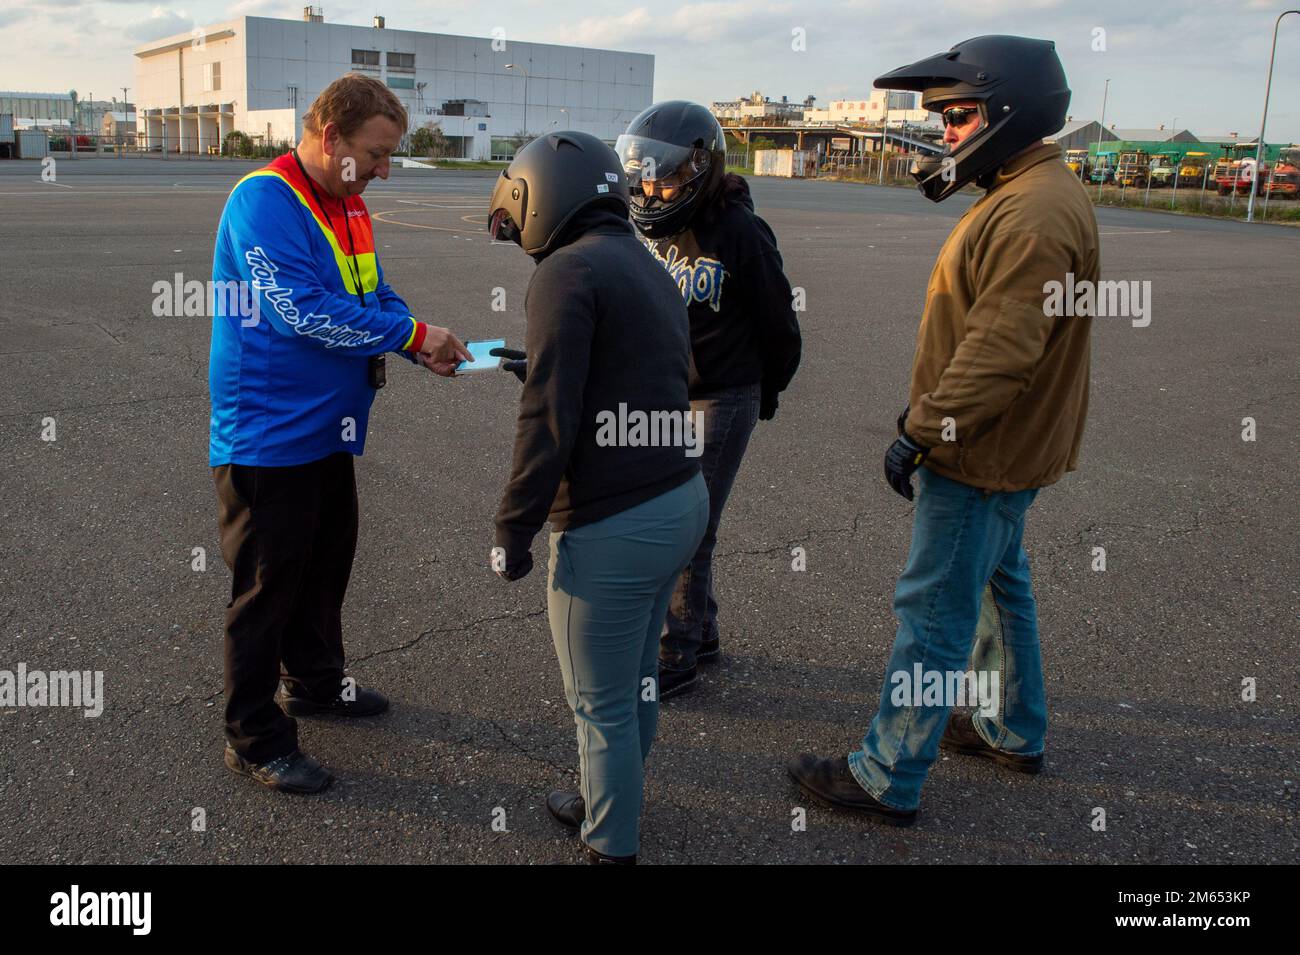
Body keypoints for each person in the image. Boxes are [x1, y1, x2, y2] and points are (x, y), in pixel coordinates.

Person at [788, 35, 1098, 823]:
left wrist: (922, 431)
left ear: (1006, 109)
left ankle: (887, 772)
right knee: (1002, 587)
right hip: (1012, 448)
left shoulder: (1030, 212)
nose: (948, 132)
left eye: (959, 115)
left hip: (980, 449)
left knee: (934, 609)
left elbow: (999, 350)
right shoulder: (1037, 190)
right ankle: (1012, 727)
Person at [209, 73, 471, 794]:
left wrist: (418, 340)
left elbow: (372, 293)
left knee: (325, 566)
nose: (386, 169)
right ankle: (255, 736)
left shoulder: (346, 204)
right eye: (377, 153)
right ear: (331, 139)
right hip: (267, 436)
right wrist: (412, 333)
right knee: (267, 586)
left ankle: (318, 681)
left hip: (329, 430)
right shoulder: (266, 200)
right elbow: (302, 312)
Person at [487, 130, 709, 864]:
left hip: (614, 527)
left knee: (600, 703)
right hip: (680, 500)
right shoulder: (646, 263)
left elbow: (549, 419)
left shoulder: (566, 271)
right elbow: (643, 372)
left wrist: (513, 527)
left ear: (543, 194)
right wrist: (549, 364)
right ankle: (611, 790)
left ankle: (610, 843)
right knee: (636, 677)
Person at [615, 101, 802, 698]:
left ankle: (676, 654)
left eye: (665, 173)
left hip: (722, 395)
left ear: (701, 168)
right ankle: (703, 630)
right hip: (669, 394)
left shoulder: (741, 232)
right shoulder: (649, 228)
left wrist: (765, 391)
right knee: (685, 519)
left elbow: (780, 323)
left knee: (686, 527)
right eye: (644, 171)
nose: (652, 185)